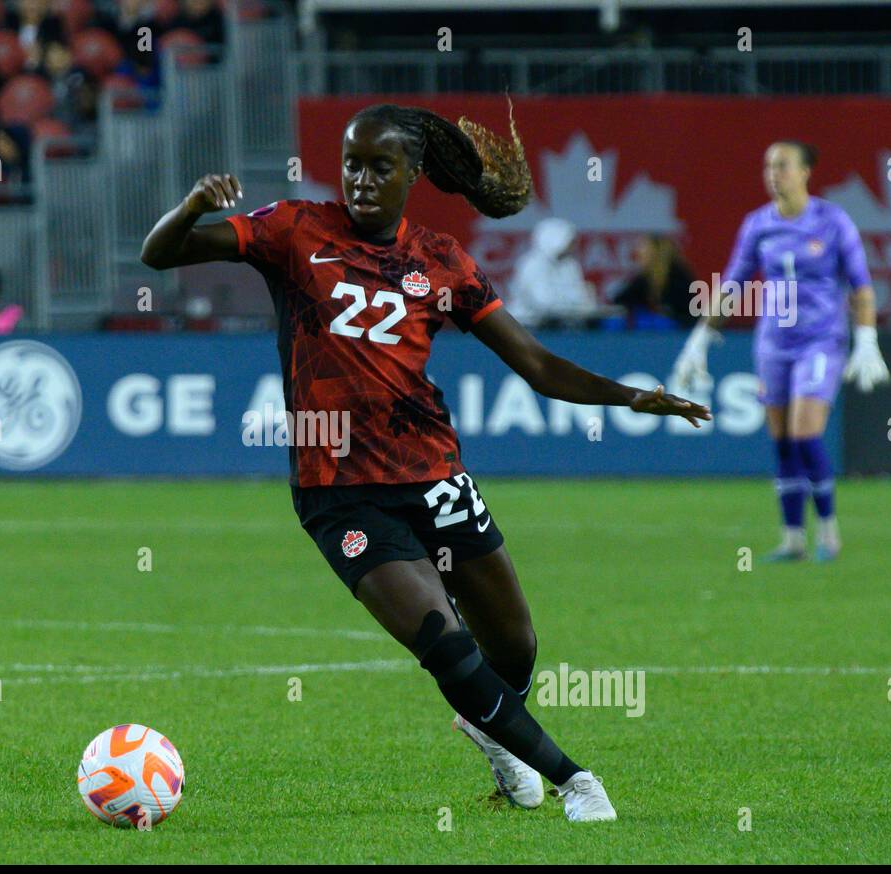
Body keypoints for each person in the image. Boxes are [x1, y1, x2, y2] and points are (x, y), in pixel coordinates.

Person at [140, 101, 710, 822]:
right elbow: (160, 255)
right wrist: (192, 204)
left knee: (516, 646)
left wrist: (633, 398)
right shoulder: (293, 230)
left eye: (380, 166)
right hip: (340, 490)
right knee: (445, 643)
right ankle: (575, 780)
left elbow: (533, 363)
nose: (361, 179)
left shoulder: (439, 260)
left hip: (435, 475)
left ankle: (489, 727)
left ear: (412, 174)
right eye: (352, 162)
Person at [672, 141, 889, 562]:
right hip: (774, 342)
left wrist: (866, 338)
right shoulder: (758, 224)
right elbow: (733, 284)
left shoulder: (832, 221)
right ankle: (792, 539)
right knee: (784, 440)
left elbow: (861, 284)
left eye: (783, 166)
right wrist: (699, 341)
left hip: (821, 340)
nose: (774, 173)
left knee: (806, 431)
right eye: (768, 165)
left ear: (807, 172)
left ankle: (828, 531)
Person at [506, 217, 596, 327]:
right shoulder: (531, 265)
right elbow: (542, 303)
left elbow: (582, 299)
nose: (572, 246)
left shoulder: (570, 265)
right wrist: (572, 303)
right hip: (527, 327)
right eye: (568, 241)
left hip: (561, 327)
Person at [611, 234, 698, 330]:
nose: (639, 253)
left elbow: (689, 313)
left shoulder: (678, 276)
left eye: (644, 249)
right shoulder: (645, 278)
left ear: (654, 252)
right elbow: (620, 299)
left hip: (682, 332)